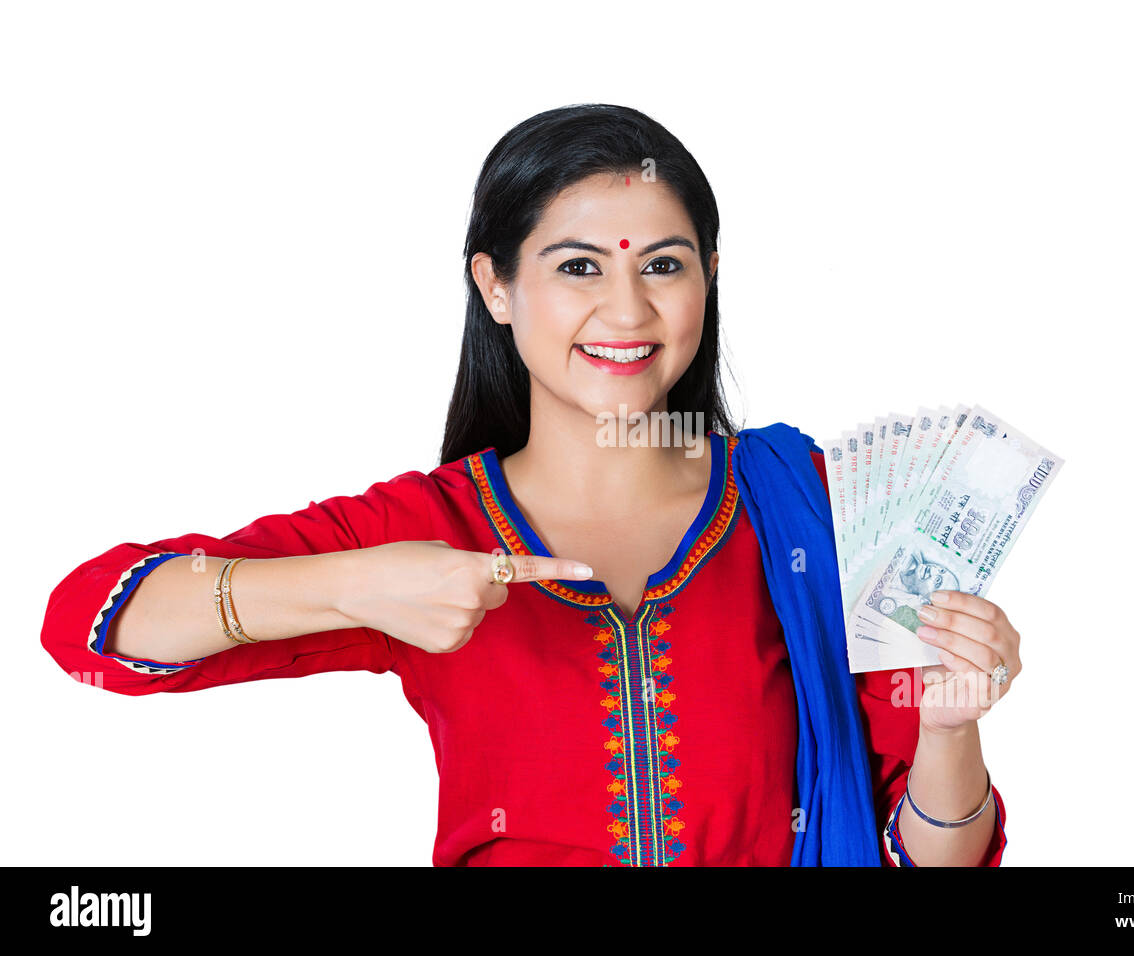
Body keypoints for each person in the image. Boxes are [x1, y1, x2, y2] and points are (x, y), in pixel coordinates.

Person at [40, 104, 1021, 866]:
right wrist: (353, 585)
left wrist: (949, 721)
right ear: (495, 286)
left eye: (665, 265)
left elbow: (934, 847)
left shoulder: (806, 508)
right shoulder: (431, 527)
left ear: (708, 277)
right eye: (578, 265)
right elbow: (92, 628)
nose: (627, 307)